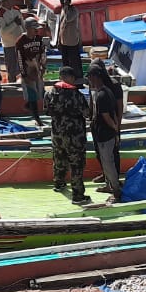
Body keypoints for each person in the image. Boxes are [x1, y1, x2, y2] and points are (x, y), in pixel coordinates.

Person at [46, 65, 91, 204]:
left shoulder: (49, 93)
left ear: (60, 76)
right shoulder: (77, 95)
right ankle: (78, 195)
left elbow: (47, 111)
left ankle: (59, 184)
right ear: (71, 78)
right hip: (75, 136)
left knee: (59, 158)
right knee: (76, 164)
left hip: (57, 134)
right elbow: (87, 113)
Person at [86, 63, 124, 200]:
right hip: (104, 134)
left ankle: (116, 191)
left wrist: (115, 128)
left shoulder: (102, 94)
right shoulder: (105, 91)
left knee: (108, 164)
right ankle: (109, 185)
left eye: (90, 77)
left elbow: (107, 116)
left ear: (96, 77)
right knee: (106, 161)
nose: (89, 81)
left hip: (105, 135)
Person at [14, 17, 47, 124]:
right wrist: (24, 75)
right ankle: (37, 118)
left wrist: (43, 67)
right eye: (34, 29)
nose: (36, 31)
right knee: (32, 94)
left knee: (40, 93)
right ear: (27, 28)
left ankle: (29, 106)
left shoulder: (39, 39)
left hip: (38, 70)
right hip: (27, 72)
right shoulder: (20, 41)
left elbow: (43, 53)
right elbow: (19, 59)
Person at [0, 0, 25, 83]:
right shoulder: (0, 13)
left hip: (20, 42)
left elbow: (23, 24)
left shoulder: (16, 9)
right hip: (9, 45)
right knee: (11, 68)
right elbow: (3, 32)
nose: (14, 0)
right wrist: (15, 24)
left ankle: (22, 84)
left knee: (23, 66)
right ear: (6, 1)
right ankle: (12, 85)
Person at [54, 0, 83, 81]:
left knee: (75, 62)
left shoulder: (74, 10)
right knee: (65, 62)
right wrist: (59, 41)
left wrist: (66, 7)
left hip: (72, 42)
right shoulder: (62, 10)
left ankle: (78, 80)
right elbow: (62, 26)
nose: (62, 3)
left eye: (64, 1)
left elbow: (68, 19)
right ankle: (66, 79)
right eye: (61, 1)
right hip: (64, 42)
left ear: (69, 1)